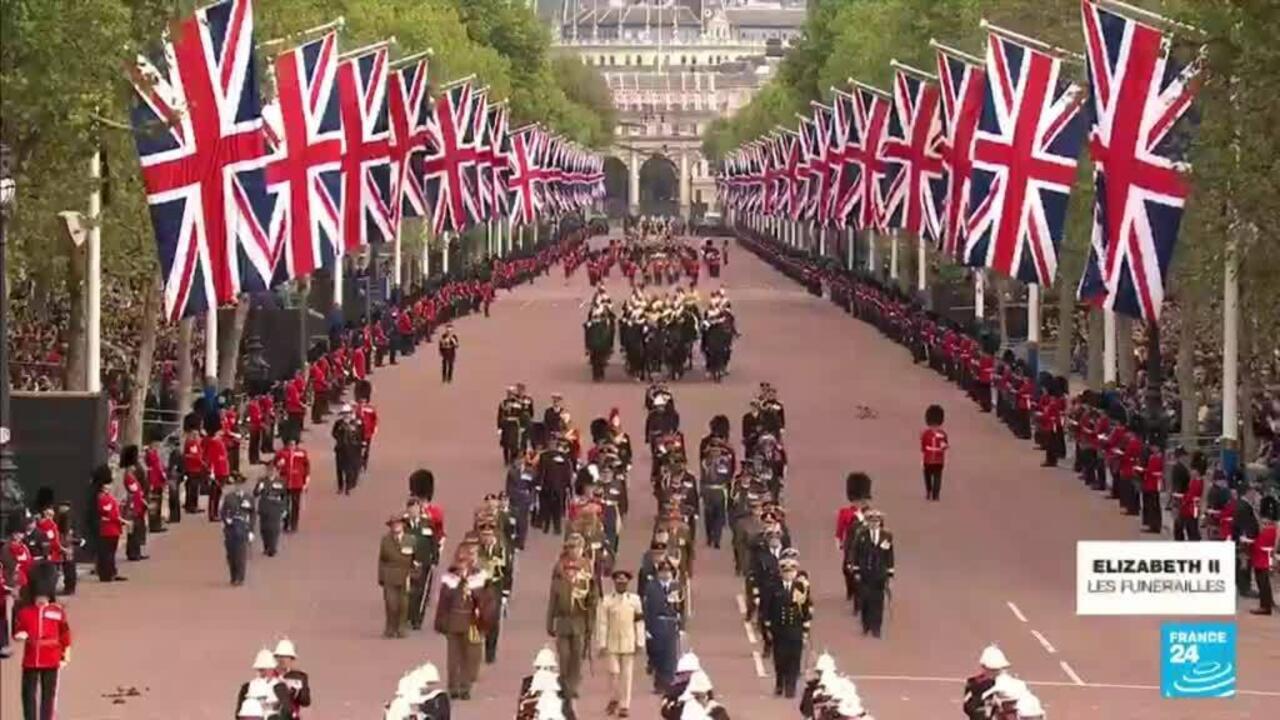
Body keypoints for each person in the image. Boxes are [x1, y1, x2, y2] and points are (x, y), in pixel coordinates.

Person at [434, 542, 493, 700]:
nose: (461, 565)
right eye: (459, 562)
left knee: (469, 656)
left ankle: (465, 687)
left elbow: (486, 601)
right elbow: (443, 603)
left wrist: (485, 621)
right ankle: (453, 687)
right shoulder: (450, 578)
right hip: (453, 621)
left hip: (471, 622)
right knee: (453, 657)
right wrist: (440, 622)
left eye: (464, 562)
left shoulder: (478, 577)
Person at [12, 583, 71, 720]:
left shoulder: (57, 612)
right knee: (28, 694)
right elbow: (17, 630)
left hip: (51, 657)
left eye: (44, 596)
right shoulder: (25, 612)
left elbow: (65, 635)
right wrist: (20, 635)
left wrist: (65, 656)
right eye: (39, 596)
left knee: (48, 695)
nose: (41, 599)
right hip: (31, 658)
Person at [547, 554, 597, 700]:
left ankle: (572, 686)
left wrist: (590, 625)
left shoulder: (584, 584)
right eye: (568, 570)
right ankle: (563, 684)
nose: (571, 572)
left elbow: (590, 605)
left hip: (579, 623)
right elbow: (552, 605)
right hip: (563, 623)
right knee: (564, 656)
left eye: (574, 570)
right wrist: (549, 624)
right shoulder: (558, 584)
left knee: (576, 657)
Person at [596, 569, 644, 718]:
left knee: (627, 675)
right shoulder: (606, 601)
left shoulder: (634, 600)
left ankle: (625, 705)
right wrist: (601, 644)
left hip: (628, 642)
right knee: (614, 673)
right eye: (618, 581)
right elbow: (602, 623)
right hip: (611, 642)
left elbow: (639, 622)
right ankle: (614, 698)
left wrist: (640, 641)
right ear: (614, 583)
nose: (621, 584)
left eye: (624, 582)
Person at [763, 556, 811, 698]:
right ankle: (780, 683)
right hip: (780, 629)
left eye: (791, 572)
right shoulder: (774, 588)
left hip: (795, 629)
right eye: (786, 572)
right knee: (780, 659)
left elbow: (806, 608)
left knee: (794, 659)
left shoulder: (801, 588)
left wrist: (806, 629)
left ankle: (791, 686)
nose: (789, 574)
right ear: (782, 573)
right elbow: (767, 608)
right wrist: (768, 628)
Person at [849, 509, 893, 637]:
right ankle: (866, 625)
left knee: (878, 601)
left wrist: (890, 573)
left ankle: (876, 627)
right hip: (865, 573)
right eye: (872, 521)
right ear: (868, 522)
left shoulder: (887, 536)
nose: (874, 523)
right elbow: (855, 553)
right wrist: (856, 570)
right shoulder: (861, 535)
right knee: (866, 600)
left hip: (879, 573)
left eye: (876, 521)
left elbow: (889, 555)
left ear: (880, 522)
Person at [643, 559, 684, 694]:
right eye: (662, 571)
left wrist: (682, 624)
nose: (665, 574)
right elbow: (647, 608)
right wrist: (646, 627)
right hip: (657, 623)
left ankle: (668, 682)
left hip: (671, 622)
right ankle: (658, 681)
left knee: (670, 654)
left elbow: (682, 607)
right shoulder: (651, 587)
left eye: (668, 571)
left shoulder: (676, 587)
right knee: (657, 654)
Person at [379, 515, 416, 638]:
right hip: (390, 575)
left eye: (398, 524)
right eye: (393, 525)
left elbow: (416, 560)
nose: (396, 526)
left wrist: (415, 574)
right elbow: (382, 560)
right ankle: (390, 627)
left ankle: (401, 628)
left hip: (405, 575)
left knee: (403, 604)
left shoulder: (410, 540)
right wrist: (381, 577)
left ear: (403, 525)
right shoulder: (385, 540)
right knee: (391, 603)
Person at [405, 501, 440, 630]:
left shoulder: (428, 524)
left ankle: (417, 619)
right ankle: (407, 615)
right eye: (411, 509)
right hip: (407, 563)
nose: (413, 511)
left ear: (420, 510)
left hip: (424, 562)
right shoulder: (404, 525)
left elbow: (434, 543)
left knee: (421, 591)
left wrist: (435, 560)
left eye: (416, 508)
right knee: (409, 591)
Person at [236, 648, 294, 718]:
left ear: (272, 669)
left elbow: (287, 711)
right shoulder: (247, 687)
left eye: (265, 669)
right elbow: (239, 713)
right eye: (260, 670)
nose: (262, 673)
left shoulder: (279, 687)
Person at [220, 473, 256, 586]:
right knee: (231, 555)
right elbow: (223, 512)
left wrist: (251, 530)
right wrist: (226, 520)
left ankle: (240, 577)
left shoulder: (248, 498)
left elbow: (252, 514)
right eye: (237, 485)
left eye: (240, 485)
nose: (239, 487)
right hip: (231, 529)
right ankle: (233, 575)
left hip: (243, 528)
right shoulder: (229, 497)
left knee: (241, 554)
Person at [962, 645, 1011, 719]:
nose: (997, 672)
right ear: (984, 667)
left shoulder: (1007, 684)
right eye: (993, 669)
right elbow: (969, 707)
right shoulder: (975, 684)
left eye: (998, 669)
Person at [95, 468, 125, 582]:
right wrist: (124, 521)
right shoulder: (104, 499)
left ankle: (111, 572)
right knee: (107, 553)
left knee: (110, 553)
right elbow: (111, 515)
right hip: (108, 529)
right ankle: (107, 574)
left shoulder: (106, 498)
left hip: (111, 528)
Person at [275, 438, 310, 534]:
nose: (292, 446)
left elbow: (306, 466)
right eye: (290, 444)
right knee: (284, 505)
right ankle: (286, 524)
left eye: (293, 444)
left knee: (295, 505)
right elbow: (275, 463)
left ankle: (294, 524)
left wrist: (306, 480)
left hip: (297, 482)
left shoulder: (302, 453)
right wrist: (279, 464)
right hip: (285, 482)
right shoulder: (282, 453)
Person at [254, 466, 288, 557]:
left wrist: (284, 509)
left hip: (276, 507)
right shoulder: (262, 481)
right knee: (264, 529)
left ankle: (272, 548)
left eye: (273, 471)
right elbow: (255, 494)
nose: (271, 472)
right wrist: (259, 488)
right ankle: (266, 546)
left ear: (276, 471)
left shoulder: (281, 481)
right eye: (269, 471)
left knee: (274, 528)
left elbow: (284, 496)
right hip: (264, 506)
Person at [1250, 503, 1278, 615]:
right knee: (1264, 583)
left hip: (1262, 559)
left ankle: (1265, 606)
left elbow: (1258, 544)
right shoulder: (1272, 530)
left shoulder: (1268, 531)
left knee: (1263, 583)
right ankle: (1268, 603)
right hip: (1263, 558)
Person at [274, 639, 312, 719]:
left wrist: (295, 692)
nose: (282, 659)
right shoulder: (270, 675)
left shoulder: (300, 677)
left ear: (292, 659)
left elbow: (306, 702)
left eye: (285, 656)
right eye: (280, 656)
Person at [332, 404, 363, 495]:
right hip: (340, 448)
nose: (346, 415)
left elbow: (359, 434)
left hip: (351, 449)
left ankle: (348, 487)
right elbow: (334, 433)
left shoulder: (355, 423)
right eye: (345, 413)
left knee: (349, 468)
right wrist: (340, 435)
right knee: (339, 469)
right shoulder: (339, 423)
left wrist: (358, 444)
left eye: (348, 413)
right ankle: (340, 487)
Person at [920, 405, 948, 501]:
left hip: (928, 458)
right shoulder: (943, 434)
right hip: (938, 459)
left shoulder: (926, 433)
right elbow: (944, 446)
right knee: (937, 477)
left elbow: (923, 446)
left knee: (928, 476)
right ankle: (935, 494)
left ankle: (930, 491)